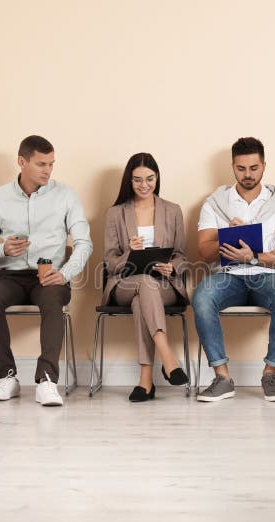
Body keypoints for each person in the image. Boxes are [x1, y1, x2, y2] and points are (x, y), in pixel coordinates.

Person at [0, 135, 92, 406]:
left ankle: (46, 380)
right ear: (21, 162)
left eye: (51, 164)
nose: (48, 170)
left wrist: (65, 272)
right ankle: (7, 377)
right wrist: (2, 249)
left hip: (50, 275)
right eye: (41, 164)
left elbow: (84, 242)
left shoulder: (66, 195)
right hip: (11, 276)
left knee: (52, 300)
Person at [193, 137, 275, 402]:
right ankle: (222, 377)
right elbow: (204, 253)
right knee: (202, 296)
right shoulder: (215, 204)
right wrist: (227, 236)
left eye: (254, 168)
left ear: (264, 165)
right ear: (233, 166)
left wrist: (254, 256)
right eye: (241, 168)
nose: (248, 174)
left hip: (268, 276)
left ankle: (270, 374)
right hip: (228, 276)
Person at [102, 153, 191, 402]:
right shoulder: (115, 213)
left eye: (150, 179)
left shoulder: (172, 211)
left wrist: (171, 267)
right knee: (143, 282)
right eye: (138, 180)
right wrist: (130, 253)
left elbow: (182, 256)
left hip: (163, 284)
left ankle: (145, 380)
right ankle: (168, 358)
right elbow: (109, 263)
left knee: (144, 293)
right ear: (129, 181)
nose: (144, 185)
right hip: (124, 282)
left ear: (157, 178)